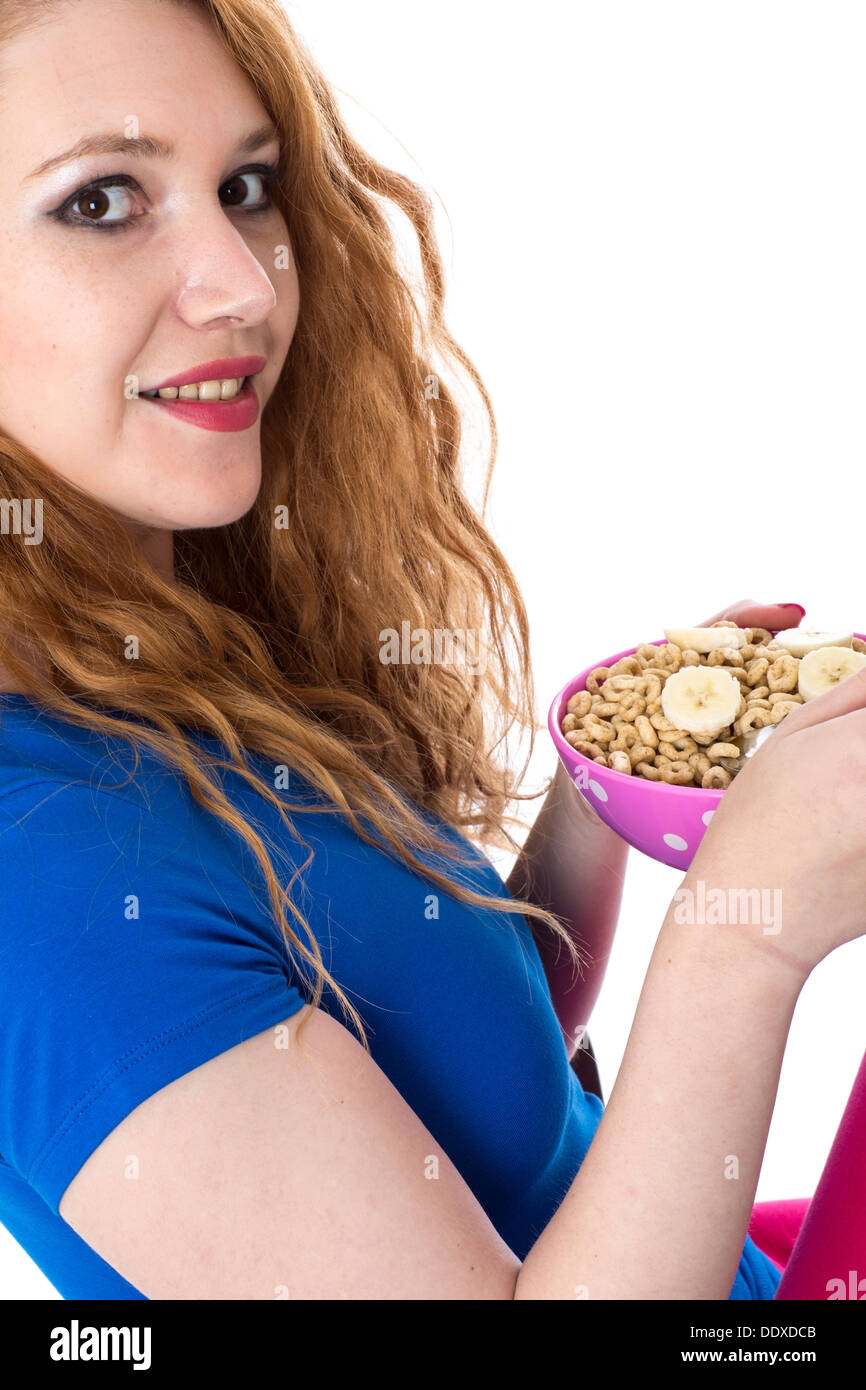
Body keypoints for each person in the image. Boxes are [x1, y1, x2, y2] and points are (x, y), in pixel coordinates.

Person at [0, 0, 862, 1302]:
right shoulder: (40, 885)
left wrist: (607, 796)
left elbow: (462, 1072)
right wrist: (741, 940)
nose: (242, 280)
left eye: (245, 186)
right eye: (102, 200)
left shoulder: (171, 664)